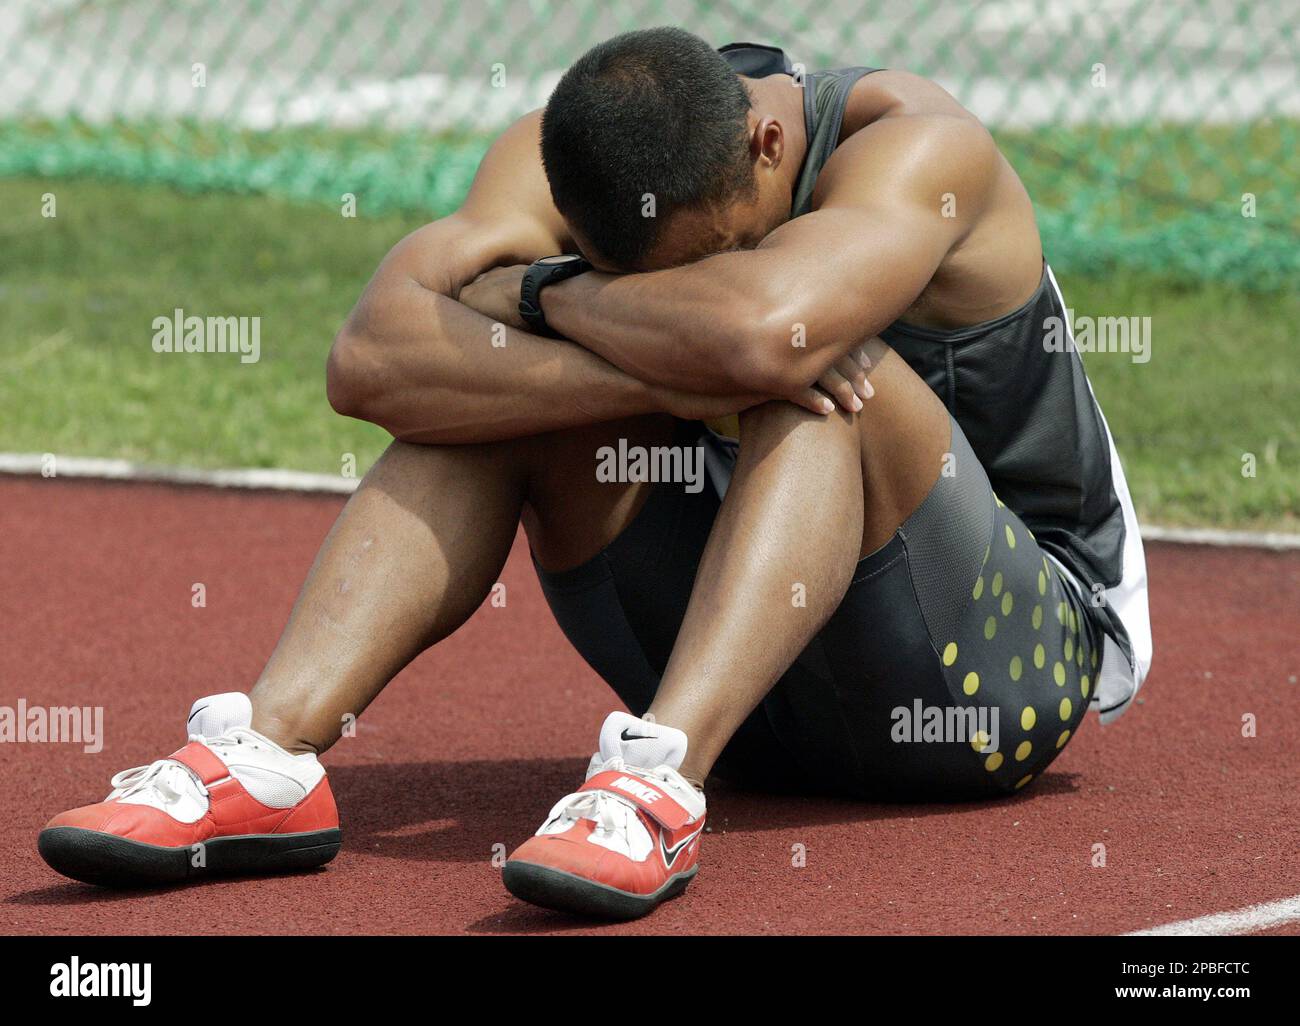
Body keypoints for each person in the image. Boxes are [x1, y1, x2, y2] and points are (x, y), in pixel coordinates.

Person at [39, 28, 1151, 920]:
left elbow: (764, 339)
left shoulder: (917, 147)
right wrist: (630, 366)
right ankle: (269, 761)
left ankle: (655, 783)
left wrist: (544, 300)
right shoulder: (556, 150)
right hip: (770, 691)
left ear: (768, 147)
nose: (681, 300)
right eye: (625, 272)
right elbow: (369, 358)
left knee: (821, 374)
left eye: (706, 260)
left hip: (986, 686)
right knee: (482, 402)